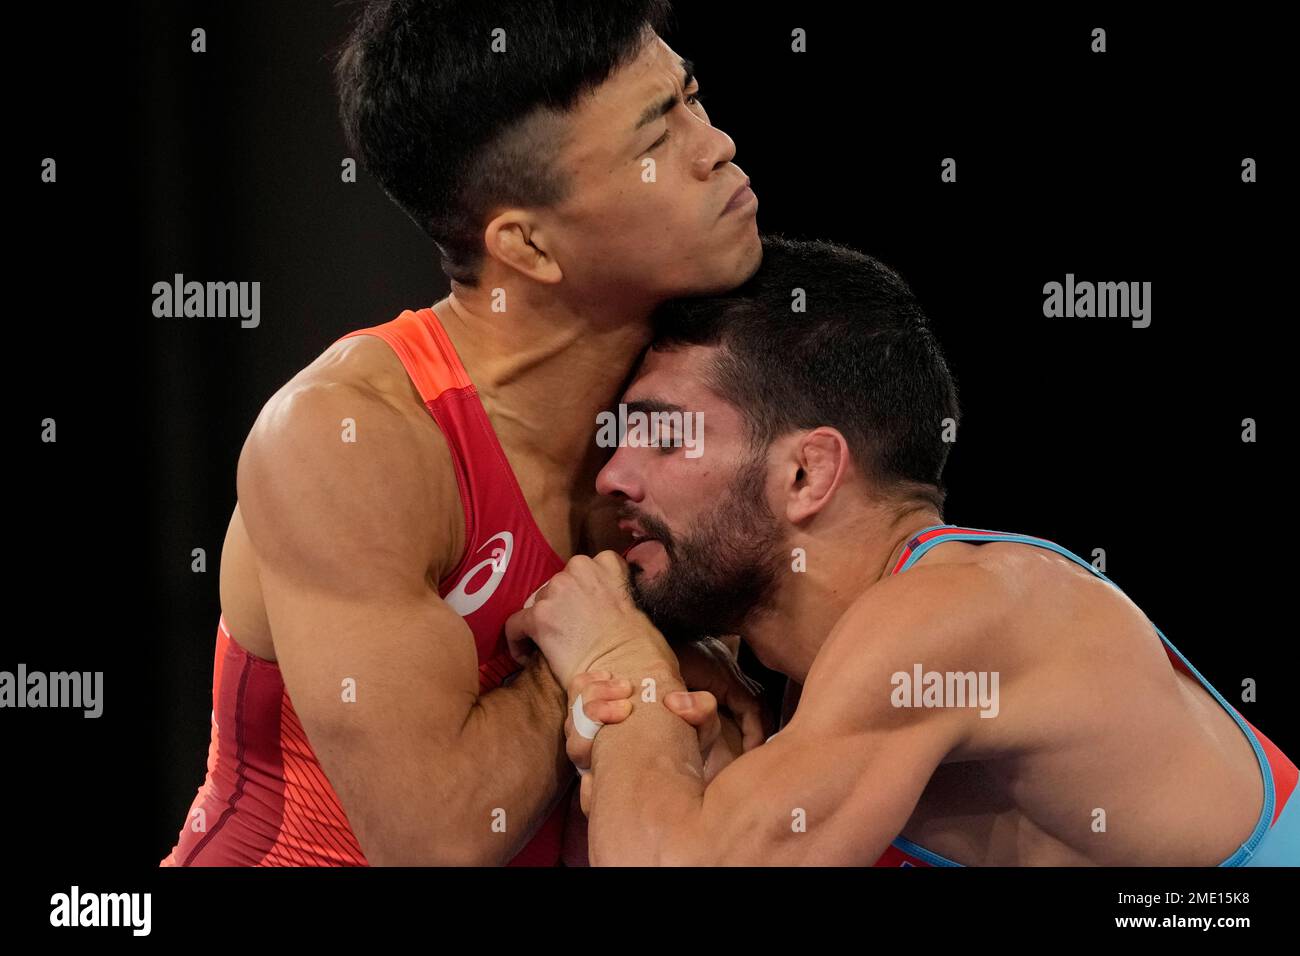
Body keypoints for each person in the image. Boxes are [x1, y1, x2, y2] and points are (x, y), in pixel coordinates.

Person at [162, 0, 765, 867]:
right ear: (528, 246)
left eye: (691, 97)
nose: (715, 146)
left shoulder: (712, 388)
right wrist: (619, 635)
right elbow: (433, 842)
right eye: (654, 141)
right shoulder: (353, 437)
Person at [510, 236, 1299, 866]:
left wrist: (621, 672)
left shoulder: (964, 610)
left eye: (662, 432)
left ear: (806, 472)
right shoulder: (813, 703)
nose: (612, 475)